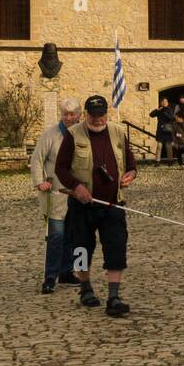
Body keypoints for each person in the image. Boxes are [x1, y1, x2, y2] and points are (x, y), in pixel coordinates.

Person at [55, 94, 136, 316]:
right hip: (83, 206)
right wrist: (76, 186)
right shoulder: (73, 135)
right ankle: (85, 288)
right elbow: (61, 168)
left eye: (102, 115)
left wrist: (131, 174)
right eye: (94, 115)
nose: (98, 120)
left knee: (116, 247)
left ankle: (114, 296)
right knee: (81, 248)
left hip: (113, 204)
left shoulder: (118, 132)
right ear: (86, 115)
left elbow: (130, 163)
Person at [31, 98, 82, 293]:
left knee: (77, 236)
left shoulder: (83, 134)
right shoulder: (50, 135)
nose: (68, 118)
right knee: (55, 237)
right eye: (65, 114)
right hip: (57, 194)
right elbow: (37, 159)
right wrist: (39, 181)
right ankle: (50, 277)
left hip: (79, 195)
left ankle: (71, 271)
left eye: (72, 114)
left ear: (79, 115)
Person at [149, 98, 175, 164]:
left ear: (167, 103)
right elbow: (151, 115)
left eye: (165, 101)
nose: (164, 102)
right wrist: (157, 110)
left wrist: (165, 112)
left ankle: (170, 160)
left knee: (168, 146)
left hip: (168, 131)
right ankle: (157, 161)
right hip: (160, 131)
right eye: (163, 101)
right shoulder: (159, 110)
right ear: (161, 103)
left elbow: (171, 118)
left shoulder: (169, 110)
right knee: (159, 146)